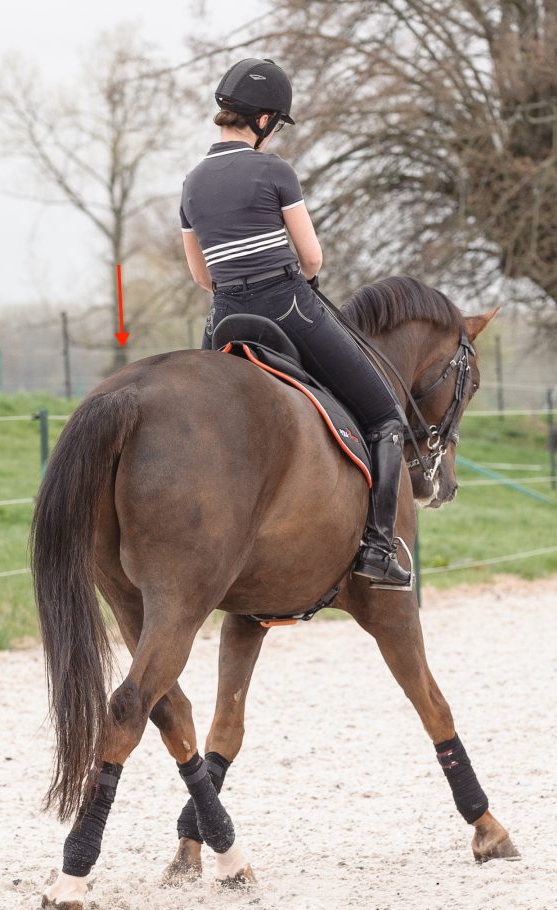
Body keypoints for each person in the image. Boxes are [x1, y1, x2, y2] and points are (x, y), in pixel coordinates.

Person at [180, 57, 411, 589]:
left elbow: (201, 274)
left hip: (224, 319)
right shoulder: (274, 171)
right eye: (276, 124)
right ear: (263, 120)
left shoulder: (192, 183)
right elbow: (311, 258)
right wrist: (293, 281)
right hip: (287, 306)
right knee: (386, 418)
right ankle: (376, 549)